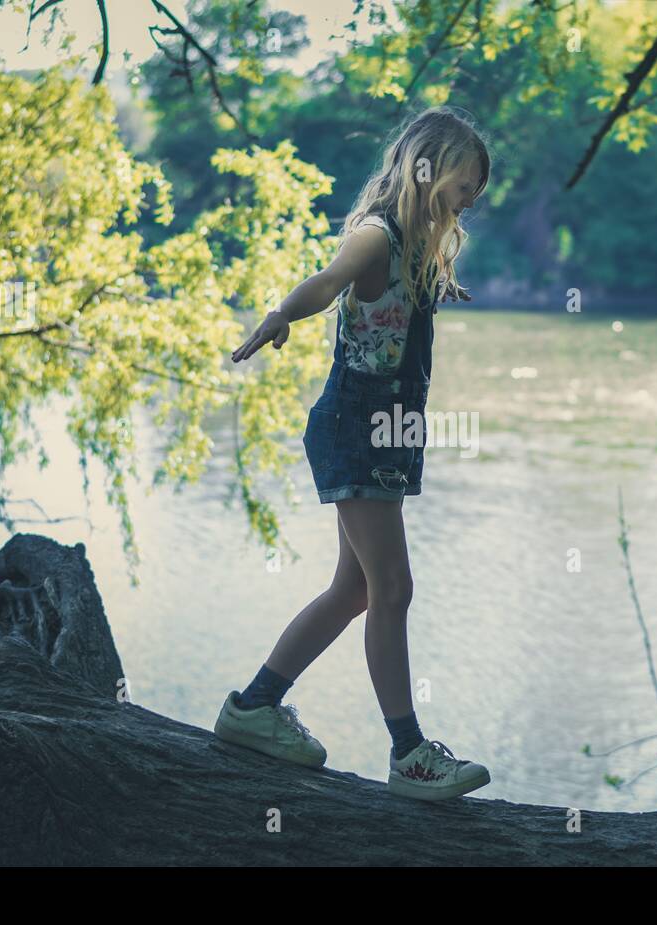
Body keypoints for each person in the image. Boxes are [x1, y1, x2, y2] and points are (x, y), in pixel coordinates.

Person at [216, 106, 492, 801]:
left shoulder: (418, 247)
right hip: (357, 427)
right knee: (392, 587)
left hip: (386, 432)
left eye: (477, 193)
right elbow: (328, 280)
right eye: (465, 185)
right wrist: (282, 313)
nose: (470, 202)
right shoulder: (378, 236)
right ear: (430, 168)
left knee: (357, 589)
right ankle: (408, 755)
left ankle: (252, 708)